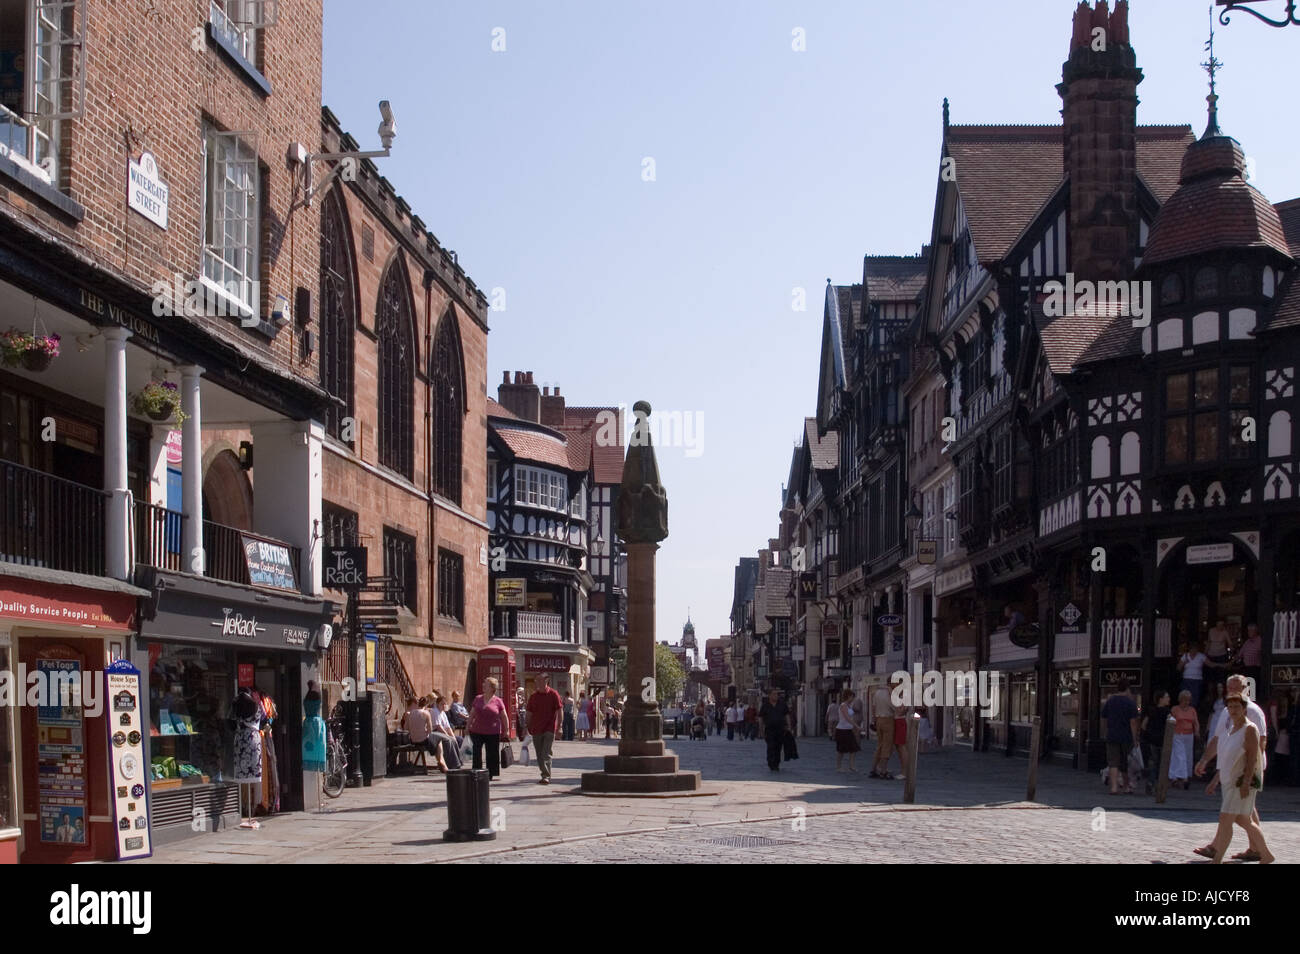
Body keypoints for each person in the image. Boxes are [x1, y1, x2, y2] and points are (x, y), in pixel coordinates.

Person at [1193, 673, 1269, 861]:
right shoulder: (1227, 711)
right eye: (1231, 688)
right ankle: (1259, 851)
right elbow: (1219, 740)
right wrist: (1205, 761)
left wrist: (1248, 776)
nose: (1234, 691)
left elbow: (1259, 745)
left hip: (1243, 772)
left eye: (1238, 687)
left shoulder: (1252, 711)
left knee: (1233, 815)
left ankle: (1217, 851)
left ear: (1245, 689)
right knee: (1244, 815)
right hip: (1230, 772)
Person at [1100, 677, 1139, 795]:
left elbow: (1104, 718)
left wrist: (1105, 732)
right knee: (1124, 762)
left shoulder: (1110, 701)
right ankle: (1126, 786)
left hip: (1112, 735)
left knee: (1113, 762)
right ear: (1127, 689)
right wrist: (1135, 738)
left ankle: (1114, 787)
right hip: (1126, 736)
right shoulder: (1130, 703)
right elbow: (1133, 723)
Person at [468, 677, 511, 780]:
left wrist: (507, 730)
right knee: (476, 752)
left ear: (492, 688)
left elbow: (504, 716)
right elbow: (472, 714)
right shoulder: (478, 698)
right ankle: (476, 772)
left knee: (492, 754)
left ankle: (490, 774)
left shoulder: (498, 701)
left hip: (493, 732)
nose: (483, 685)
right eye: (483, 683)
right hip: (477, 731)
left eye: (485, 684)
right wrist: (467, 726)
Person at [526, 674, 563, 785]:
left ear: (546, 681)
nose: (537, 682)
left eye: (540, 680)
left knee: (546, 753)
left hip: (549, 728)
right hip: (536, 728)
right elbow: (529, 713)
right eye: (536, 680)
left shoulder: (553, 694)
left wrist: (560, 727)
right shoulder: (533, 696)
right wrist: (526, 727)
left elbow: (560, 710)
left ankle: (546, 776)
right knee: (539, 754)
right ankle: (544, 772)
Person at [1139, 690, 1171, 795]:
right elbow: (1170, 726)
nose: (1168, 699)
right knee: (1161, 764)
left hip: (1152, 740)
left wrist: (1146, 735)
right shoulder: (1167, 712)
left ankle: (1151, 783)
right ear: (1160, 699)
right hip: (1162, 741)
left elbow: (1144, 724)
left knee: (1153, 763)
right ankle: (1158, 785)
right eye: (1166, 697)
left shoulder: (1151, 710)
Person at [1168, 689, 1199, 790]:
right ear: (1180, 700)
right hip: (1178, 734)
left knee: (1187, 756)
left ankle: (1180, 776)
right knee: (1179, 755)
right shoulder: (1175, 709)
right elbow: (1170, 720)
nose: (1187, 702)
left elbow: (1196, 722)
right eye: (1185, 700)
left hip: (1189, 735)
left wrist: (1197, 732)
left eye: (1188, 700)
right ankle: (1182, 777)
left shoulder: (1192, 710)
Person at [869, 679, 897, 779]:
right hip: (888, 719)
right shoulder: (889, 693)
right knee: (887, 745)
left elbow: (873, 707)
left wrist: (874, 720)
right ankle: (883, 770)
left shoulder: (877, 692)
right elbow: (894, 707)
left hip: (878, 720)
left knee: (880, 745)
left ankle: (873, 769)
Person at [758, 688, 790, 772]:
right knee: (771, 746)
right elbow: (760, 718)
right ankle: (771, 762)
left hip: (780, 729)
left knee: (778, 747)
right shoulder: (765, 705)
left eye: (777, 694)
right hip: (769, 730)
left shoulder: (782, 704)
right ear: (770, 695)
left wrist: (789, 726)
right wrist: (761, 730)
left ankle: (776, 763)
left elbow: (787, 715)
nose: (776, 696)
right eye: (774, 694)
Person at [431, 694, 463, 770]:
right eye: (442, 704)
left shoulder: (443, 713)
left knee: (458, 740)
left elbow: (448, 727)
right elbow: (438, 726)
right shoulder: (435, 711)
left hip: (442, 732)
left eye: (445, 703)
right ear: (437, 704)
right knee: (448, 741)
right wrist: (447, 736)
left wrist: (453, 736)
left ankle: (458, 762)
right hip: (435, 732)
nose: (444, 705)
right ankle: (453, 764)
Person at [1178, 641, 1208, 716]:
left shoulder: (1201, 656)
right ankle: (1183, 713)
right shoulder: (1185, 656)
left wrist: (1222, 665)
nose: (1194, 651)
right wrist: (1185, 662)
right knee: (1184, 697)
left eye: (1195, 649)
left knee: (1194, 698)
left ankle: (1191, 714)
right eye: (1192, 649)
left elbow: (1210, 664)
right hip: (1187, 679)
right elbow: (1178, 668)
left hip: (1197, 680)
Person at [834, 689, 860, 773]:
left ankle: (851, 766)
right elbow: (847, 718)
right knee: (841, 750)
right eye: (852, 696)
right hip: (842, 730)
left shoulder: (849, 706)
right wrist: (856, 726)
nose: (853, 698)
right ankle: (838, 767)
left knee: (853, 748)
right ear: (848, 696)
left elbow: (852, 717)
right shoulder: (843, 705)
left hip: (848, 730)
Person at [1233, 623, 1263, 688]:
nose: (1249, 632)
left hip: (1256, 669)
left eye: (1251, 631)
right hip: (1247, 669)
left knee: (1254, 690)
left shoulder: (1260, 641)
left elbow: (1262, 654)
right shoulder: (1247, 642)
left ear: (1255, 631)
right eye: (1248, 631)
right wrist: (1231, 662)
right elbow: (1239, 655)